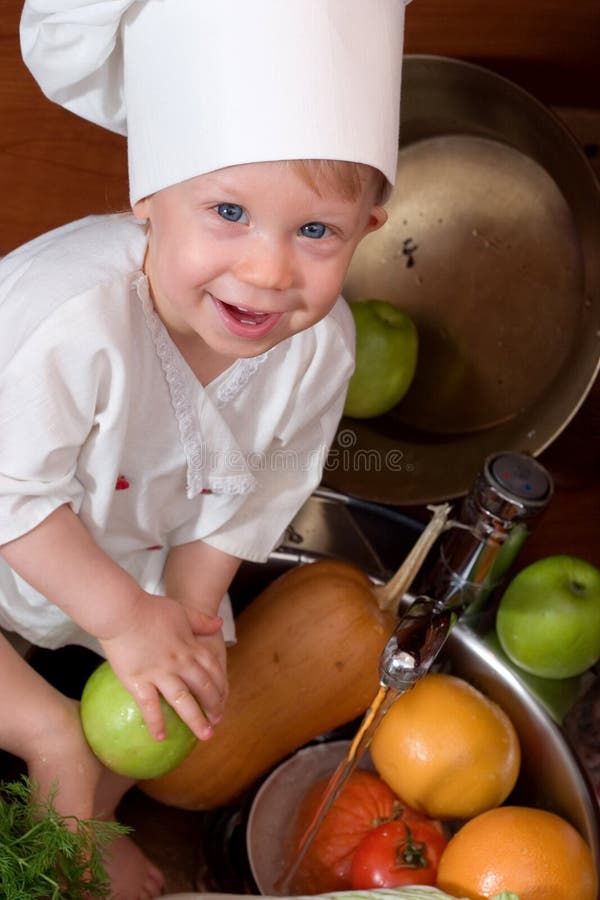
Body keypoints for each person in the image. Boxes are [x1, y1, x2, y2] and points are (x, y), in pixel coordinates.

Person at [0, 1, 409, 897]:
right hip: (18, 559)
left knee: (189, 699)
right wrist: (118, 619)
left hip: (126, 574)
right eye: (228, 211)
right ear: (148, 195)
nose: (267, 271)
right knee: (76, 718)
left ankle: (81, 800)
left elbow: (254, 494)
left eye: (316, 232)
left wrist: (181, 620)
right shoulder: (70, 318)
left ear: (369, 227)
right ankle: (44, 733)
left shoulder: (321, 351)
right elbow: (11, 498)